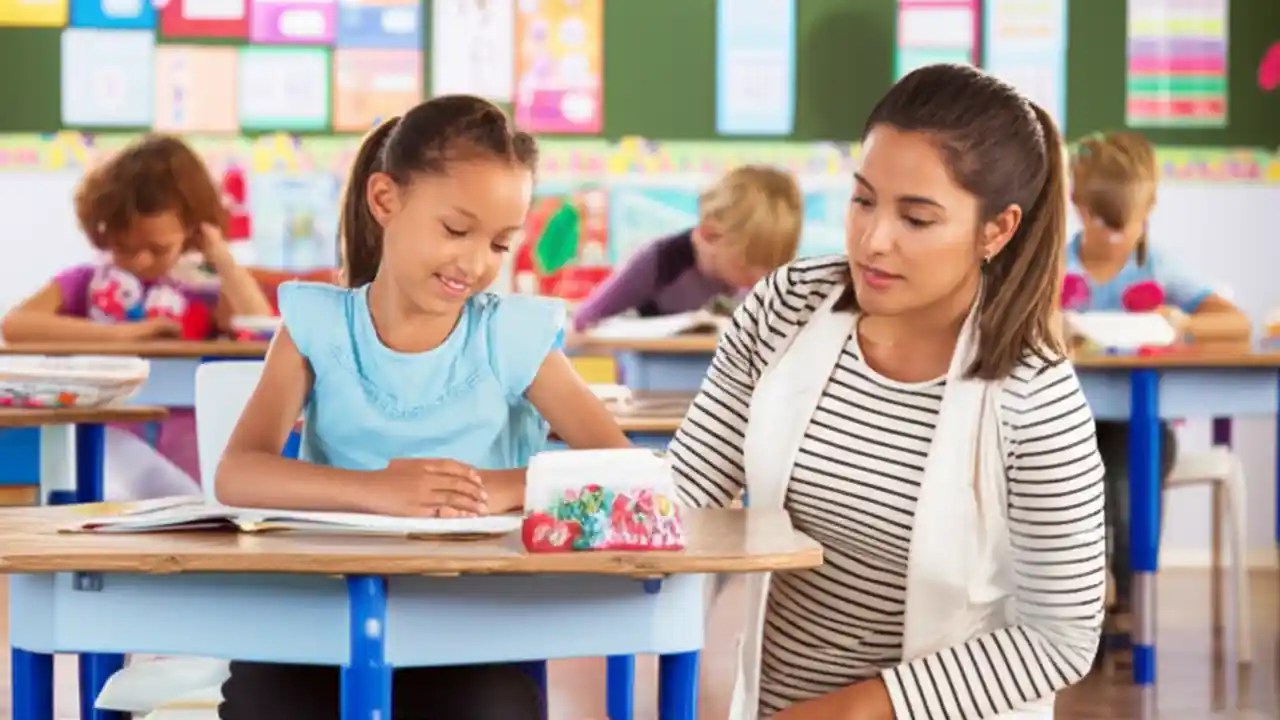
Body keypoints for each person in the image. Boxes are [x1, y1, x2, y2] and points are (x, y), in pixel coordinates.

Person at [670, 64, 1104, 719]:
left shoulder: (1036, 399)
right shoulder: (787, 306)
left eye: (918, 218)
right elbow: (687, 488)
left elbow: (1060, 638)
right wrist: (530, 490)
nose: (873, 240)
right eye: (863, 199)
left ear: (997, 229)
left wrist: (857, 709)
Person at [213, 95, 631, 720]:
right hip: (320, 620)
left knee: (494, 709)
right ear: (386, 201)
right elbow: (238, 473)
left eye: (498, 244)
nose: (475, 263)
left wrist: (507, 486)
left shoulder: (509, 336)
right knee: (262, 704)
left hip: (469, 628)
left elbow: (622, 469)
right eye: (456, 231)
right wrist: (377, 491)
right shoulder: (317, 326)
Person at [1, 134, 275, 499]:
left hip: (189, 442)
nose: (142, 260)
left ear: (192, 232)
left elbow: (262, 330)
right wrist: (127, 336)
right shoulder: (88, 281)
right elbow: (16, 325)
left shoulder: (206, 289)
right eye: (125, 247)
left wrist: (219, 255)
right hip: (107, 448)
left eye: (159, 249)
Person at [1065, 131, 1248, 662]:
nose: (1116, 238)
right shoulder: (1057, 266)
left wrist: (1183, 320)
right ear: (1076, 203)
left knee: (1126, 479)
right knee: (1075, 478)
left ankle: (1125, 605)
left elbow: (1233, 325)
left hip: (1142, 428)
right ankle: (1084, 609)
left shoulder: (1158, 266)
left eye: (1128, 224)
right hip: (1071, 424)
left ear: (1150, 210)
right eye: (1102, 222)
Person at [571, 164, 803, 332]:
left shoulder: (771, 285)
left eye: (772, 267)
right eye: (749, 263)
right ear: (710, 235)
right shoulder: (661, 262)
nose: (760, 278)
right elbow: (583, 321)